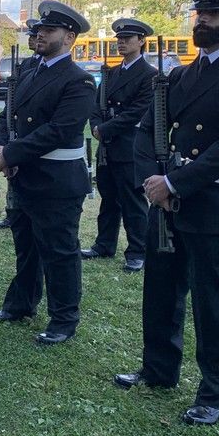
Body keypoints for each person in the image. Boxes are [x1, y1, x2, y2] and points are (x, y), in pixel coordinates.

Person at [115, 0, 219, 425]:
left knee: (213, 300)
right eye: (200, 13)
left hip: (210, 201)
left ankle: (217, 391)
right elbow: (147, 132)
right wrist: (153, 180)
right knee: (161, 290)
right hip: (166, 199)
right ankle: (159, 369)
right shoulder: (179, 76)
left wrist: (176, 183)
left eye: (214, 14)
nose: (203, 20)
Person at [0, 0, 96, 345]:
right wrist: (2, 149)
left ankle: (63, 318)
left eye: (48, 30)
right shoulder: (31, 71)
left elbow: (59, 130)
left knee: (59, 251)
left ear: (70, 37)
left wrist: (12, 153)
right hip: (24, 173)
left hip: (57, 179)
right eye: (38, 29)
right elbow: (9, 115)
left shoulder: (79, 81)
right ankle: (21, 304)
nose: (39, 34)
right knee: (27, 246)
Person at [81, 19, 156, 272]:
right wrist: (95, 125)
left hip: (128, 145)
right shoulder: (112, 72)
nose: (121, 43)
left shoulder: (149, 75)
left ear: (141, 41)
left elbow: (137, 111)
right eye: (119, 40)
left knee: (132, 201)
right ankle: (104, 244)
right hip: (107, 145)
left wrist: (104, 128)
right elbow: (96, 103)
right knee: (108, 198)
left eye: (127, 39)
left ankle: (138, 251)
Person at [0, 19, 42, 230]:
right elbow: (9, 108)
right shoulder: (27, 65)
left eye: (35, 35)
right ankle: (12, 211)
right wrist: (0, 147)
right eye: (31, 36)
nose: (33, 40)